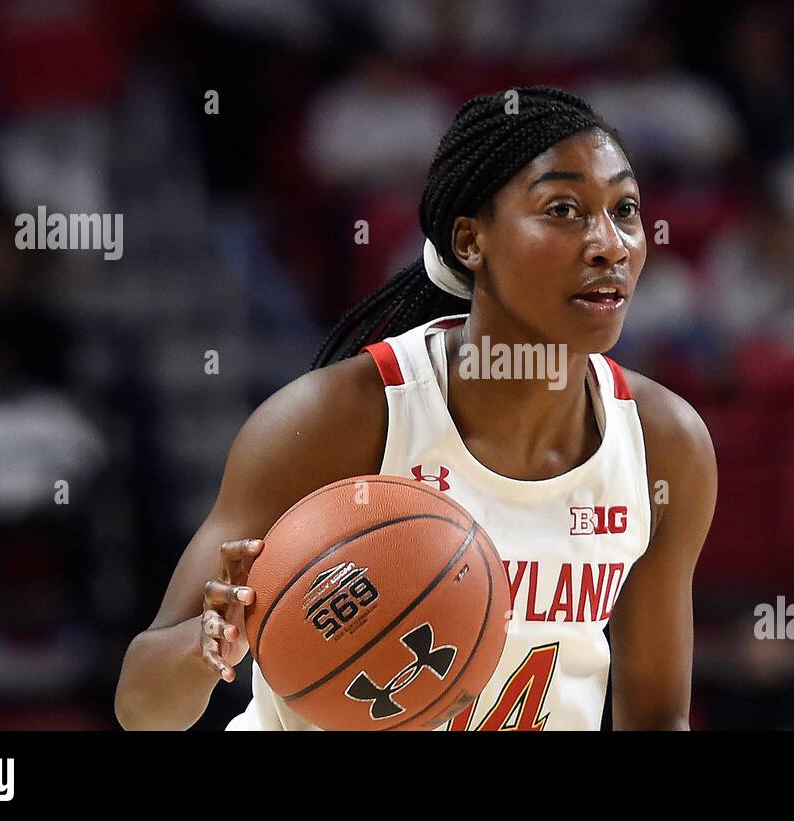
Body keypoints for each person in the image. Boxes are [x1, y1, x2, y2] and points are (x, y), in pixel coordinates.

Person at [114, 87, 717, 731]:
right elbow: (142, 708)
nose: (609, 245)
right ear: (470, 241)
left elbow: (657, 715)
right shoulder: (338, 419)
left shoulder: (665, 444)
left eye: (624, 210)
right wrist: (208, 647)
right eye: (563, 210)